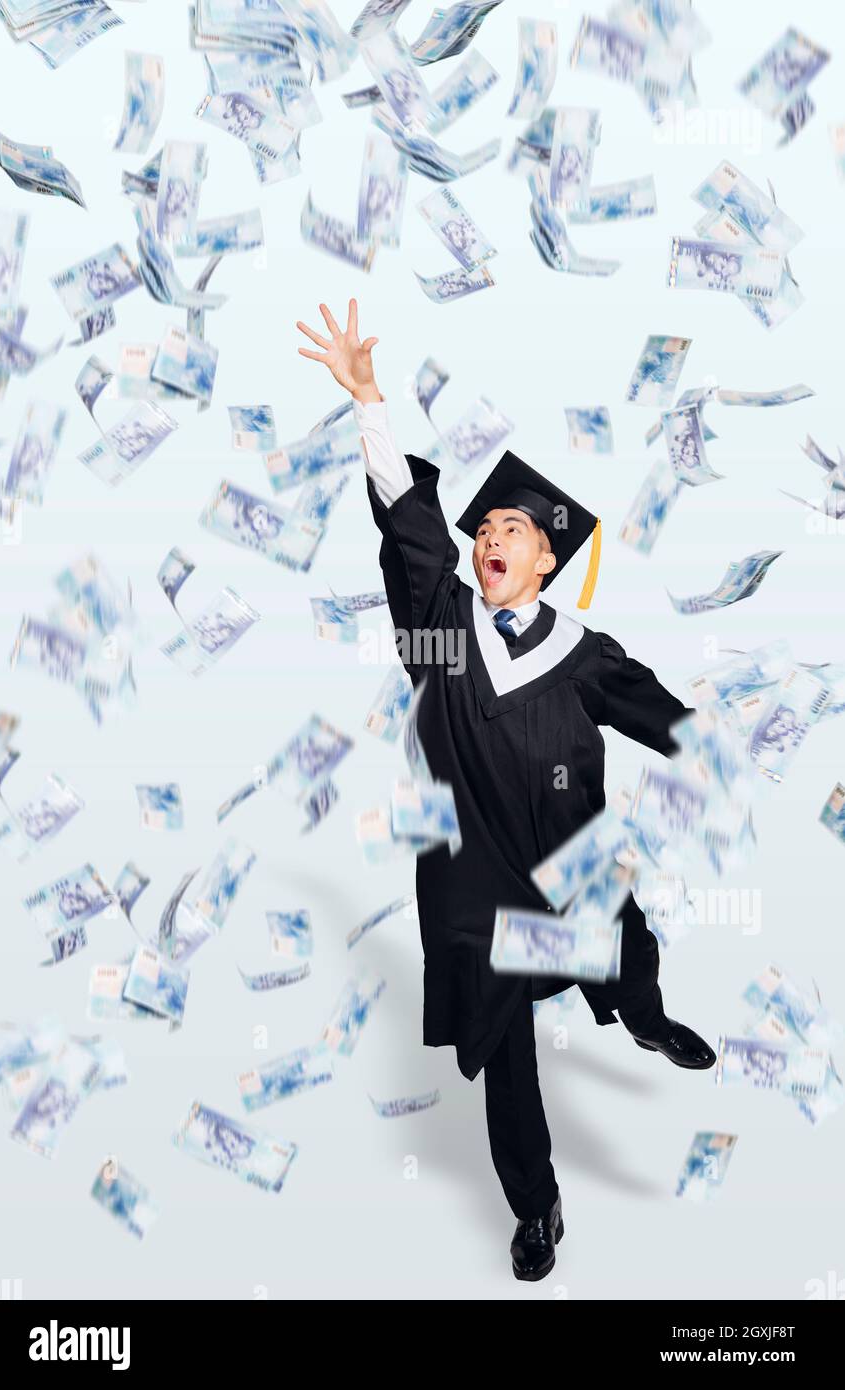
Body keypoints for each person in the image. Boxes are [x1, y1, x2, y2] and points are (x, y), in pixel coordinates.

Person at [296, 299, 716, 1282]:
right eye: (483, 523)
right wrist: (370, 405)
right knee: (507, 1051)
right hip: (482, 890)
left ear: (543, 560)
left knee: (624, 957)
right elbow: (411, 533)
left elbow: (665, 717)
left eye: (512, 526)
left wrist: (718, 761)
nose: (489, 533)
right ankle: (536, 1208)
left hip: (569, 874)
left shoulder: (581, 654)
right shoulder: (440, 632)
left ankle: (645, 1018)